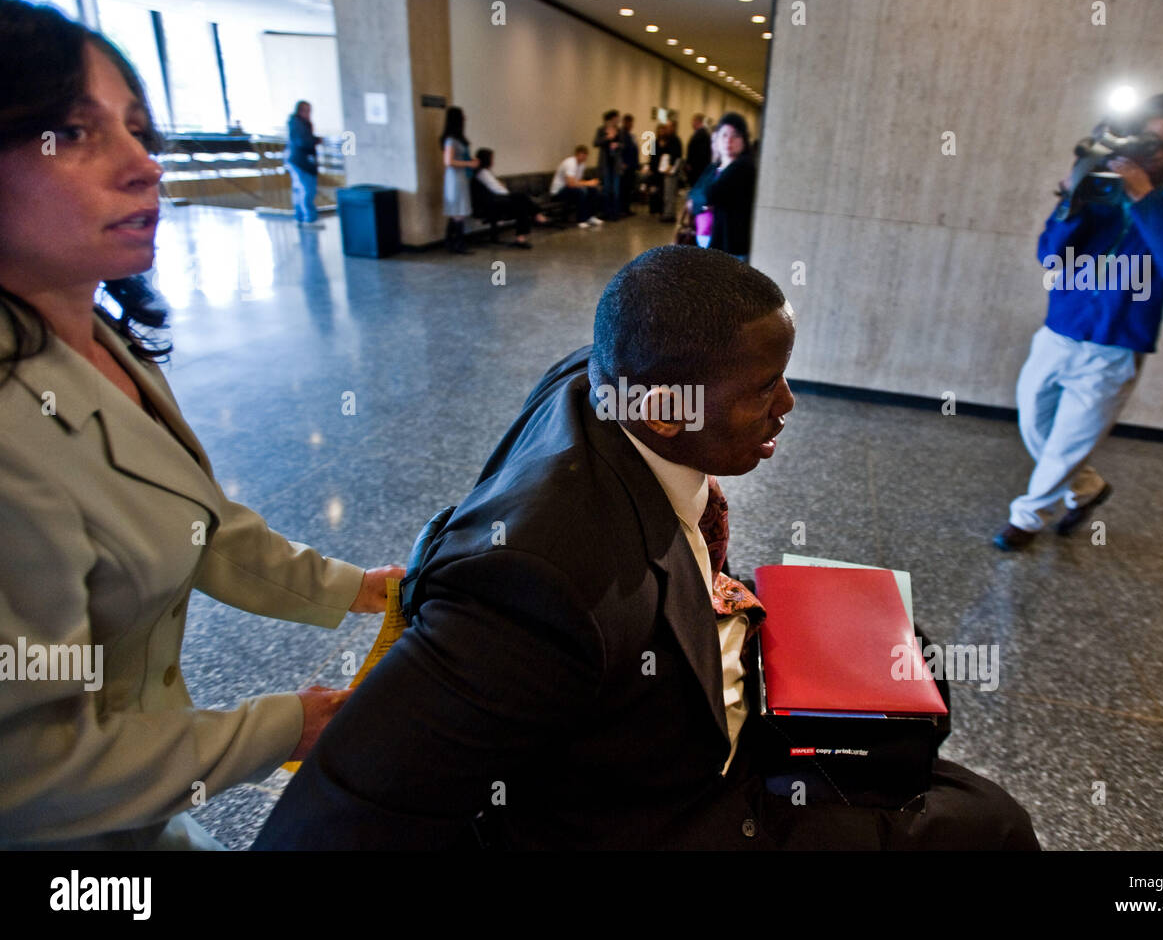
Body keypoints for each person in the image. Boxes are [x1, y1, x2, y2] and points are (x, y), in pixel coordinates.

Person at [255, 245, 1039, 850]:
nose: (788, 406)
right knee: (989, 823)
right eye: (763, 388)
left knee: (918, 677)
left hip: (682, 694)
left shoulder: (594, 379)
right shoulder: (538, 588)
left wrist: (712, 591)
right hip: (661, 816)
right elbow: (354, 802)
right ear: (663, 409)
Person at [0, 0, 403, 849]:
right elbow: (27, 773)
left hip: (143, 810)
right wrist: (283, 727)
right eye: (75, 132)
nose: (142, 163)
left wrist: (353, 588)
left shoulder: (104, 338)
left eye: (137, 128)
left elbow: (196, 522)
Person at [994, 94, 1163, 551]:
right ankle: (1088, 488)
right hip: (1058, 332)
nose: (1146, 151)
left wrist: (1143, 195)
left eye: (1160, 145)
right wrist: (1072, 196)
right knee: (1036, 426)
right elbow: (1049, 255)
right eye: (1142, 138)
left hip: (1115, 347)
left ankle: (1027, 518)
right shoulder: (1099, 192)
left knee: (1067, 443)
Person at [687, 113, 758, 261]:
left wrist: (700, 201)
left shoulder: (743, 166)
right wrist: (702, 204)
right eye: (724, 135)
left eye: (735, 135)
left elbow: (710, 194)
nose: (729, 140)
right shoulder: (715, 166)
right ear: (717, 139)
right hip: (708, 239)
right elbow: (692, 195)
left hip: (730, 245)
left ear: (744, 140)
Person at [472, 148, 548, 249]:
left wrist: (506, 192)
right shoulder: (483, 173)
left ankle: (522, 236)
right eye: (491, 158)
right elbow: (498, 189)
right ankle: (536, 215)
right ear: (486, 159)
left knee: (521, 204)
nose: (493, 161)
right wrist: (509, 194)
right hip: (491, 203)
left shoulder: (485, 172)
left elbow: (498, 186)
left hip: (495, 200)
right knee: (521, 197)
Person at [441, 106, 478, 254]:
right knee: (458, 210)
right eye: (462, 116)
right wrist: (469, 163)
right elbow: (448, 161)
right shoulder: (451, 140)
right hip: (455, 178)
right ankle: (458, 243)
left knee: (458, 210)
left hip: (460, 176)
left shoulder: (457, 139)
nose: (465, 118)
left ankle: (450, 241)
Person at [286, 100, 322, 228]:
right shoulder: (299, 124)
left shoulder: (297, 123)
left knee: (299, 190)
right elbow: (303, 142)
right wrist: (316, 140)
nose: (309, 114)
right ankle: (309, 218)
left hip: (296, 160)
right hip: (301, 162)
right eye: (306, 111)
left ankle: (300, 217)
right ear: (300, 111)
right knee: (307, 190)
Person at [549, 145, 602, 228]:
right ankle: (581, 219)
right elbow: (570, 183)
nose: (584, 157)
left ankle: (591, 216)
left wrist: (590, 184)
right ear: (577, 154)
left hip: (569, 189)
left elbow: (578, 182)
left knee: (593, 190)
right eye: (582, 155)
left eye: (585, 155)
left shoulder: (582, 165)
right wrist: (588, 183)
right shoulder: (570, 163)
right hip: (558, 191)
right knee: (581, 192)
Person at [592, 109, 622, 221]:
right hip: (605, 164)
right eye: (616, 118)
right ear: (610, 119)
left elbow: (623, 145)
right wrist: (607, 138)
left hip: (615, 164)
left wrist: (617, 145)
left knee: (615, 189)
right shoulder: (601, 130)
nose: (617, 120)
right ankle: (606, 212)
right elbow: (595, 143)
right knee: (606, 189)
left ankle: (615, 213)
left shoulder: (619, 131)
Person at [655, 118, 684, 222]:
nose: (666, 129)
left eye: (668, 127)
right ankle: (668, 212)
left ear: (673, 127)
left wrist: (670, 166)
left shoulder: (675, 140)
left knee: (670, 193)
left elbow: (675, 155)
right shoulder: (668, 140)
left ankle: (669, 214)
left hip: (671, 169)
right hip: (666, 168)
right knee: (667, 192)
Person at [618, 112, 640, 216]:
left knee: (629, 188)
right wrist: (622, 163)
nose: (631, 125)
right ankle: (622, 209)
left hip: (632, 166)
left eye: (632, 123)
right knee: (623, 188)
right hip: (625, 166)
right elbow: (621, 151)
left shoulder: (632, 136)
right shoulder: (621, 135)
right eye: (629, 123)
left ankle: (626, 208)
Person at [684, 112, 712, 187]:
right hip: (697, 169)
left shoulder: (702, 134)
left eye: (693, 121)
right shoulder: (699, 134)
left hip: (697, 170)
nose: (692, 123)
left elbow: (700, 154)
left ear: (697, 121)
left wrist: (690, 164)